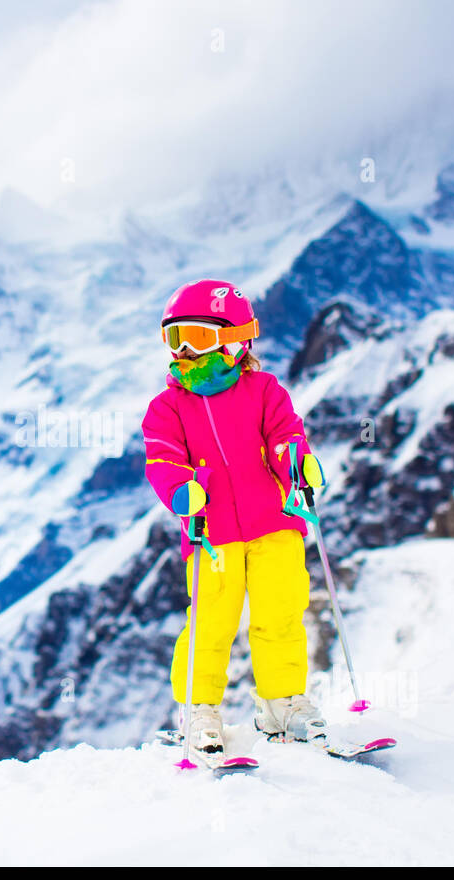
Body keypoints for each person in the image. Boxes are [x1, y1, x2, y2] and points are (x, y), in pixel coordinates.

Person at [142, 278, 327, 755]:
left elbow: (284, 434)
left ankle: (281, 702)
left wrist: (295, 460)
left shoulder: (264, 390)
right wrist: (181, 490)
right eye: (174, 338)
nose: (183, 351)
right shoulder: (167, 409)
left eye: (198, 338)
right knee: (211, 622)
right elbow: (162, 459)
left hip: (275, 524)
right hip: (212, 535)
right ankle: (198, 709)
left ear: (235, 340)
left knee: (280, 612)